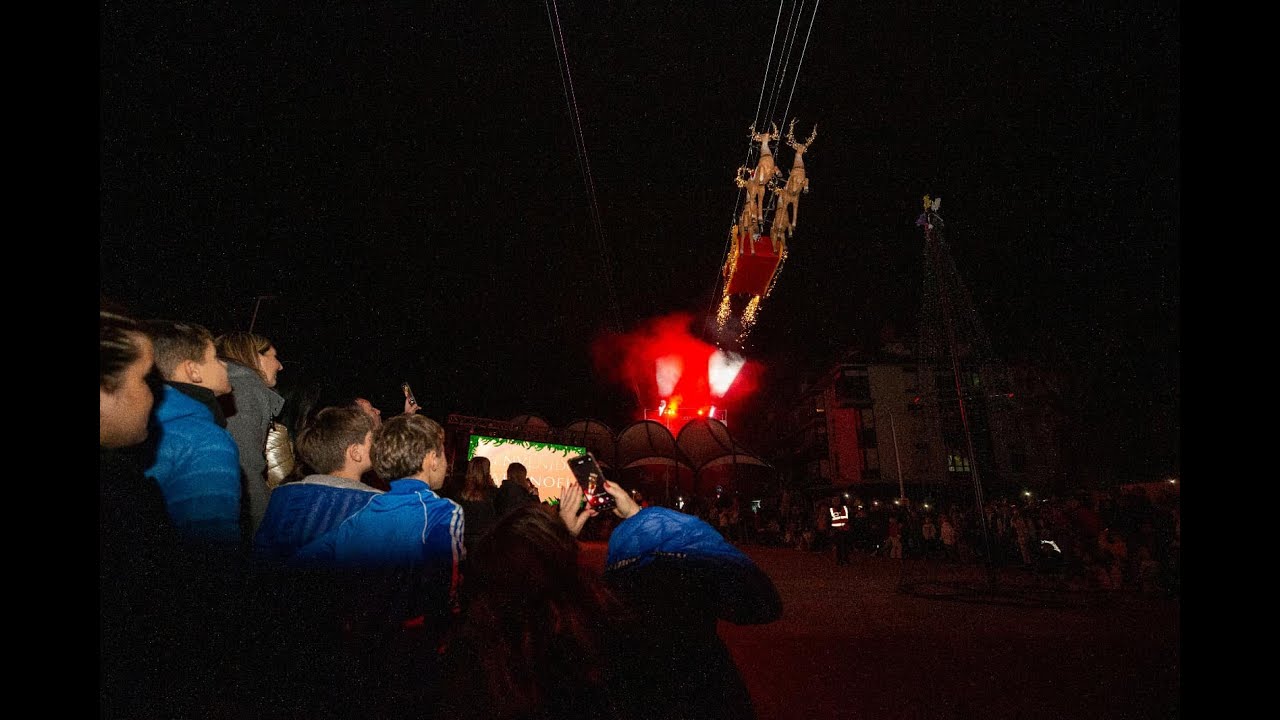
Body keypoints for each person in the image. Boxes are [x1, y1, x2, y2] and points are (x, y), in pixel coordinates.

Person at [142, 319, 242, 548]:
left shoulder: (134, 428)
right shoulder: (206, 440)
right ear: (193, 370)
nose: (225, 365)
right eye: (216, 357)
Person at [253, 406, 382, 563]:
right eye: (372, 440)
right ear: (355, 453)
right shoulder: (375, 504)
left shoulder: (283, 495)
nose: (378, 445)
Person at [216, 330, 286, 536]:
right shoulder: (245, 389)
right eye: (273, 356)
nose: (280, 365)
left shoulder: (233, 387)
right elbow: (245, 466)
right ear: (255, 357)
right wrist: (264, 528)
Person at [455, 456, 498, 557]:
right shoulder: (493, 494)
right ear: (486, 471)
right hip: (484, 546)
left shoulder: (459, 494)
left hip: (462, 543)